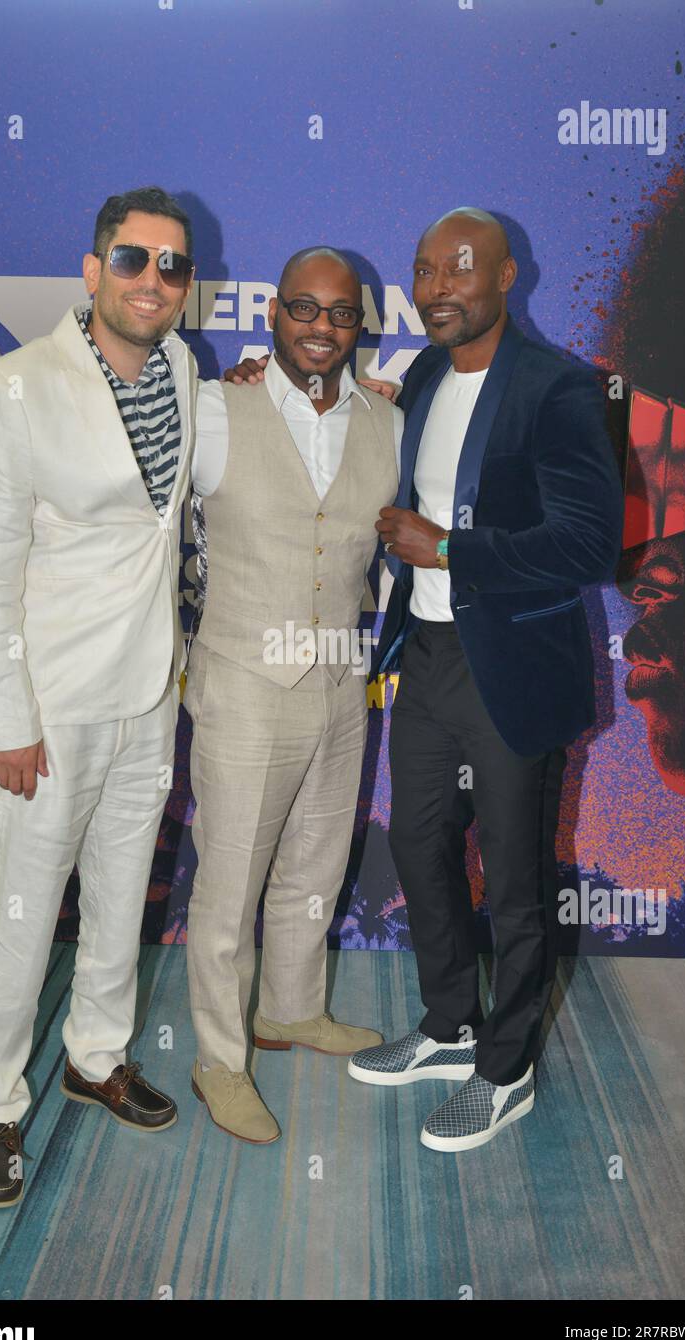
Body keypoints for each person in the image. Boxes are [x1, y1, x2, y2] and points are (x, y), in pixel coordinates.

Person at [346, 208, 624, 1151]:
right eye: (423, 271)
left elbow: (588, 543)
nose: (435, 289)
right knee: (419, 848)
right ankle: (446, 1025)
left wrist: (453, 550)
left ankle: (504, 1073)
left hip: (508, 666)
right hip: (423, 656)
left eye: (458, 270)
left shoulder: (558, 389)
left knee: (511, 880)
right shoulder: (422, 374)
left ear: (507, 276)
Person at [0, 186, 198, 1207]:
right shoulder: (16, 385)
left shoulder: (184, 369)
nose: (155, 281)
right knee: (16, 915)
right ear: (93, 272)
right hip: (45, 714)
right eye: (134, 260)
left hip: (148, 698)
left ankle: (95, 1056)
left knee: (116, 900)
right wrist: (6, 719)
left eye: (175, 265)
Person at [184, 247, 402, 1144]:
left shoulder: (386, 421)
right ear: (272, 313)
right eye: (304, 310)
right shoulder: (213, 408)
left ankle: (290, 1010)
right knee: (229, 885)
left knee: (314, 867)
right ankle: (217, 1061)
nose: (321, 327)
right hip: (241, 685)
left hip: (340, 684)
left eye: (340, 314)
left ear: (361, 323)